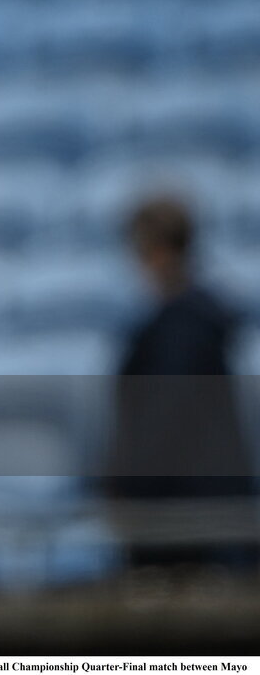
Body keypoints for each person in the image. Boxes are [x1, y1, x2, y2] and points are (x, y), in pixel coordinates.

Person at [107, 194, 256, 568]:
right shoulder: (195, 325)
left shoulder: (178, 334)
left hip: (186, 528)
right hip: (206, 514)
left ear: (156, 251)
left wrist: (126, 492)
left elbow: (163, 426)